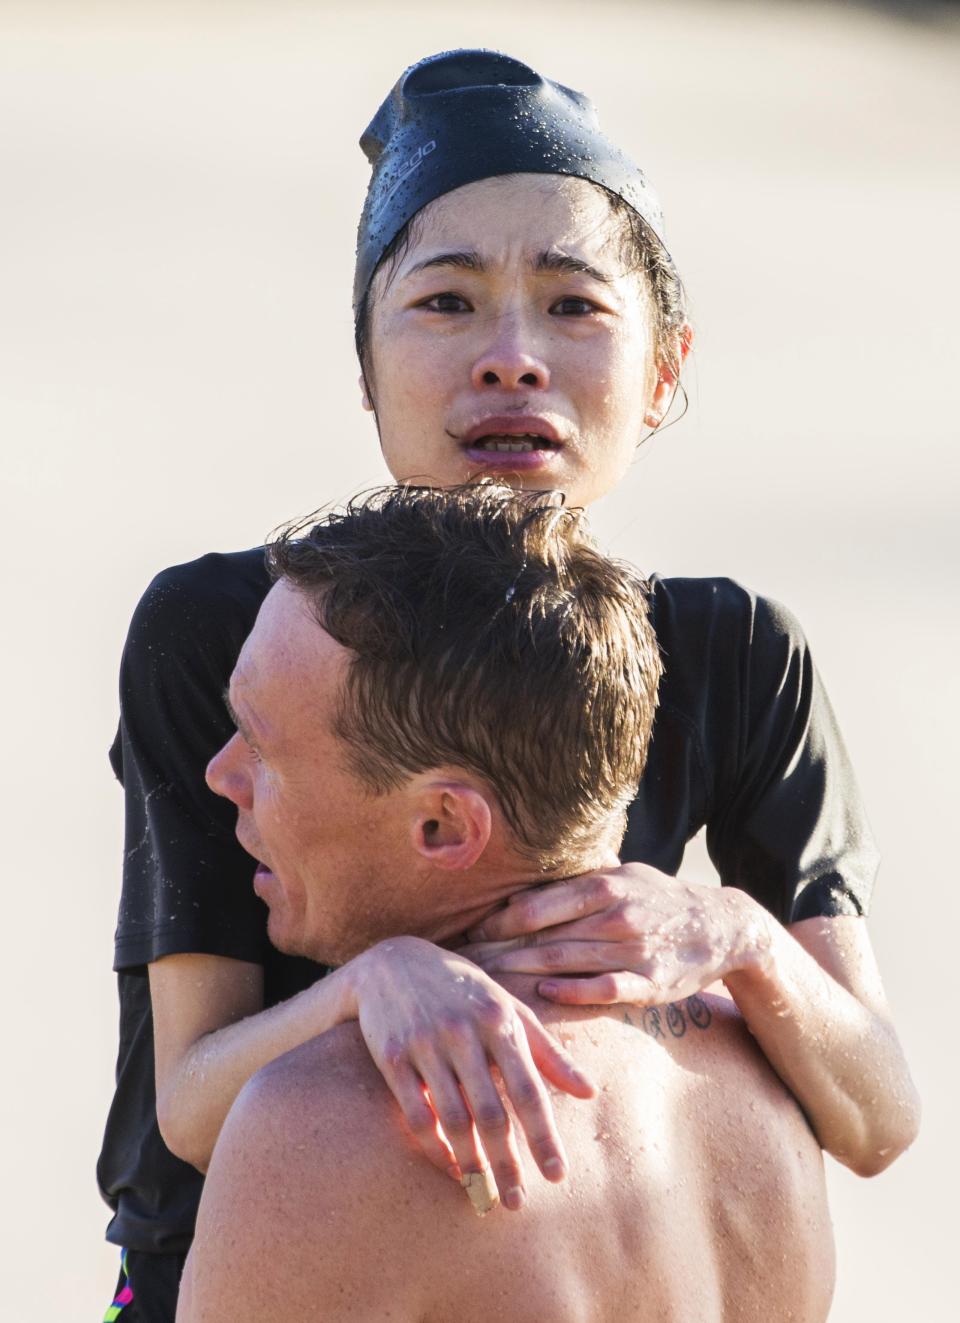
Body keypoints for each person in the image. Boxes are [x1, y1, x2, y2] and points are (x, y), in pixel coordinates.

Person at [99, 49, 918, 1323]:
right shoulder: (241, 638)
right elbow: (192, 1107)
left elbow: (875, 1115)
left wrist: (744, 939)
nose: (512, 359)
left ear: (664, 371)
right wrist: (374, 983)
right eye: (445, 303)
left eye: (576, 306)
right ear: (364, 363)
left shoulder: (735, 654)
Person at [176, 483, 836, 1323]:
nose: (221, 776)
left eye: (264, 749)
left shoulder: (320, 1125)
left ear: (444, 823)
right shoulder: (764, 1085)